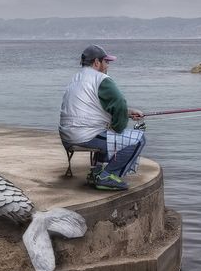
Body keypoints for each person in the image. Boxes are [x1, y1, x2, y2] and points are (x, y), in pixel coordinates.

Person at [59, 44, 145, 190]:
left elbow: (94, 108)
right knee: (138, 139)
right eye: (106, 62)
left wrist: (127, 112)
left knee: (108, 136)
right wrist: (118, 127)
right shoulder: (101, 79)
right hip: (83, 135)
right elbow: (119, 102)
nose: (108, 66)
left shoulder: (76, 79)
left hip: (67, 134)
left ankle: (96, 172)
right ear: (96, 63)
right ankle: (107, 176)